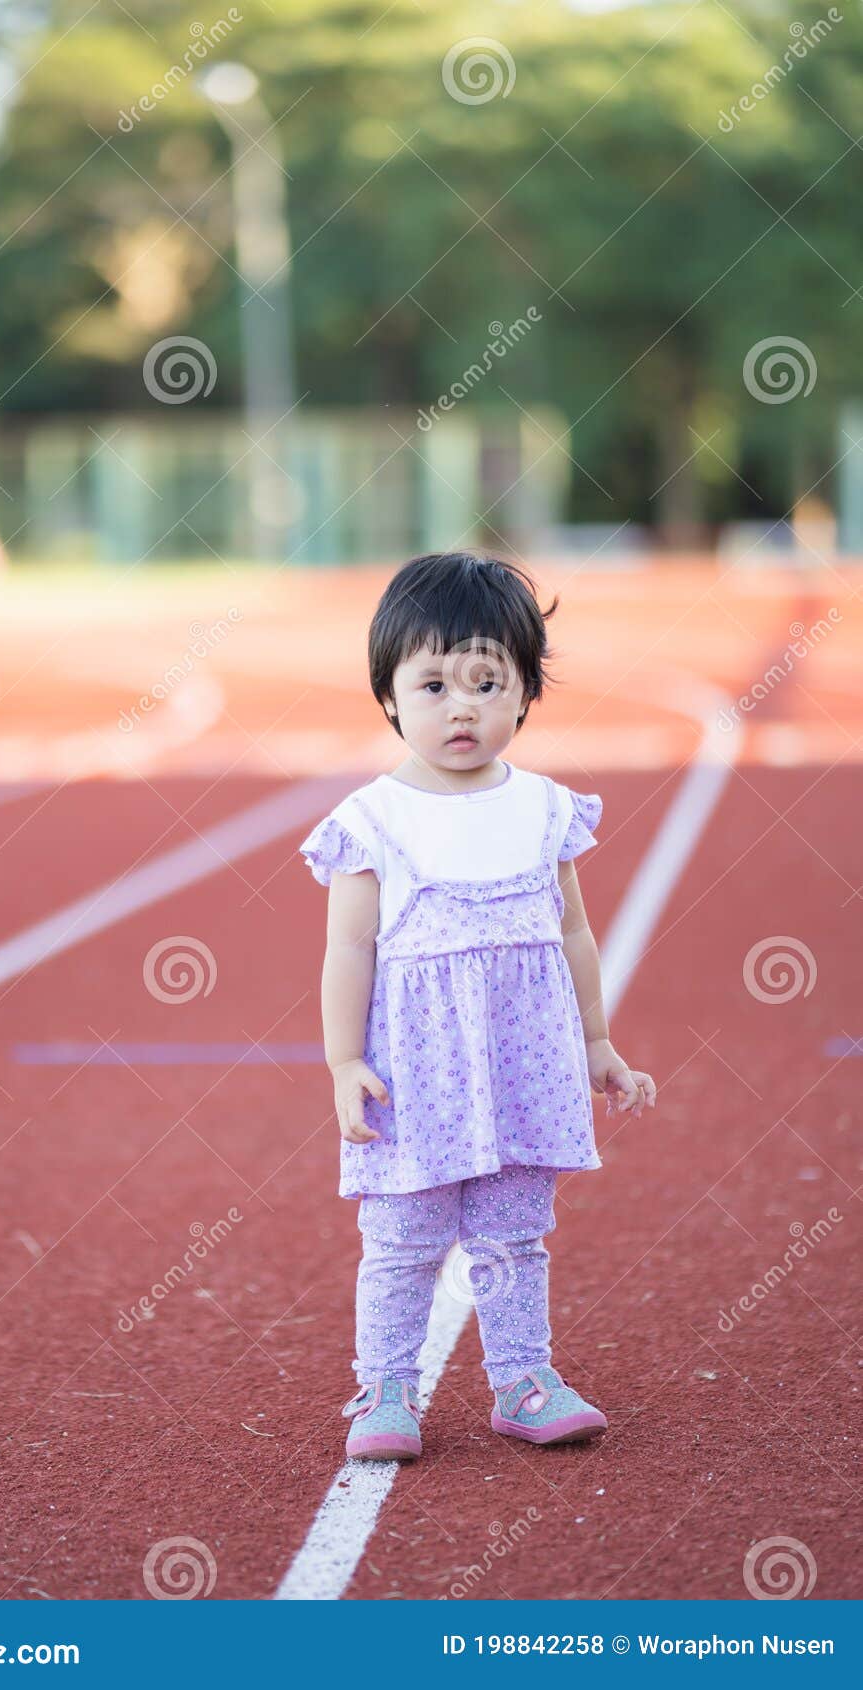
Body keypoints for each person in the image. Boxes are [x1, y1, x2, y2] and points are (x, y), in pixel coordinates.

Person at [298, 552, 656, 1462]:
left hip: (524, 1066)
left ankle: (523, 1381)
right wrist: (343, 1061)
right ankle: (385, 1387)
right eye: (431, 684)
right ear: (387, 696)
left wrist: (597, 1040)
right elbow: (348, 948)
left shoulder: (543, 809)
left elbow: (571, 933)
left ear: (525, 693)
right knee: (405, 1238)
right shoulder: (371, 820)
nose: (460, 707)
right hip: (417, 1072)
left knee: (511, 1236)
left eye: (486, 681)